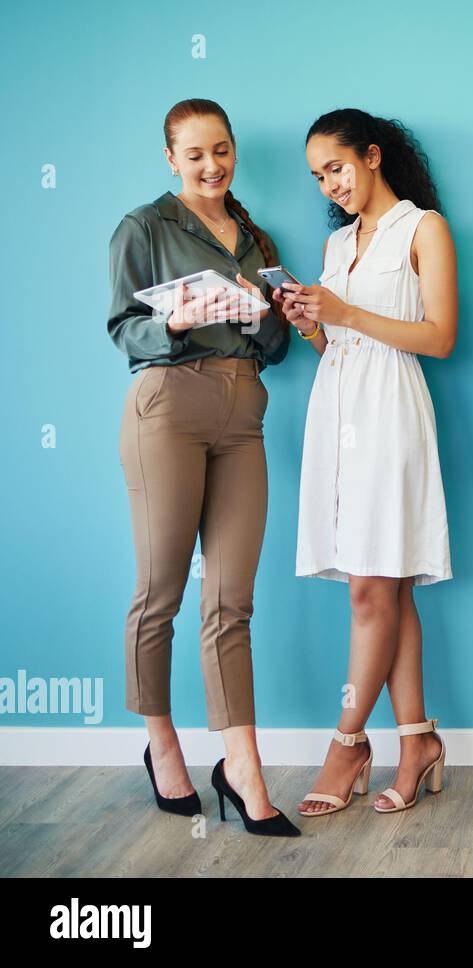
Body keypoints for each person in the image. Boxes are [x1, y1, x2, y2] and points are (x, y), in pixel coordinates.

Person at [108, 98, 297, 836]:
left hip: (243, 414)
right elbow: (124, 330)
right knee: (160, 591)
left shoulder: (254, 236)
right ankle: (162, 745)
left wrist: (268, 315)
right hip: (169, 407)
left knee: (232, 599)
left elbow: (276, 348)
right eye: (195, 155)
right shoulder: (145, 227)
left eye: (221, 150)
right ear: (170, 158)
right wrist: (176, 320)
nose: (212, 165)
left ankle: (241, 765)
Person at [277, 109, 457, 817]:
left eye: (338, 167)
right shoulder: (337, 244)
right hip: (338, 411)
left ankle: (349, 739)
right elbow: (340, 344)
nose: (331, 183)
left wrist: (346, 314)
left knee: (369, 592)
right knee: (390, 587)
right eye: (320, 175)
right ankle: (418, 741)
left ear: (374, 157)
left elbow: (440, 336)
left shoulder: (425, 229)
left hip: (390, 414)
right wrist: (315, 326)